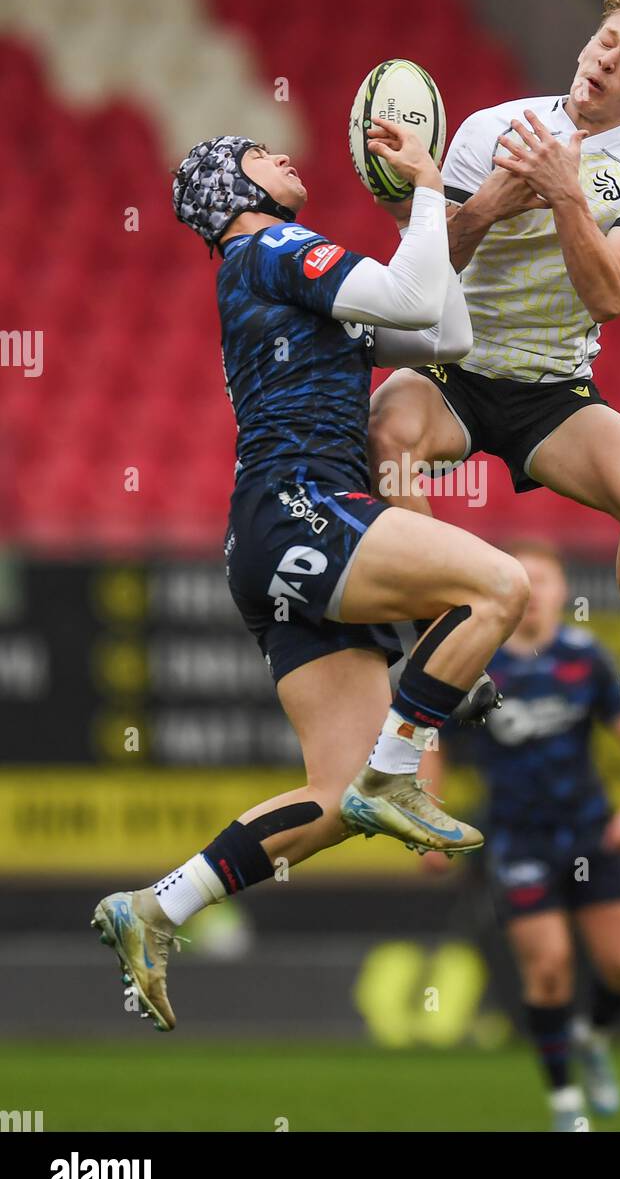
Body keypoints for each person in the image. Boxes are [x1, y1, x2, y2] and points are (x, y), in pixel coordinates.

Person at [92, 120, 529, 1031]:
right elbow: (414, 295)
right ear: (233, 191)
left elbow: (442, 328)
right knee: (500, 588)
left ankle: (154, 907)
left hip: (265, 543)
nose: (284, 158)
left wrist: (438, 212)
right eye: (258, 154)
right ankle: (408, 757)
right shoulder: (276, 245)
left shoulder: (266, 269)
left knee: (336, 801)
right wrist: (425, 185)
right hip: (307, 511)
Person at [368, 0, 620, 731]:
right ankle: (437, 645)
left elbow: (611, 296)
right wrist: (490, 203)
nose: (607, 60)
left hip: (551, 388)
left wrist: (566, 193)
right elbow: (421, 268)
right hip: (454, 364)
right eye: (604, 41)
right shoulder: (490, 128)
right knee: (386, 433)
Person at [422, 541, 620, 1132]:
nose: (534, 597)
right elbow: (433, 746)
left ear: (561, 593)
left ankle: (592, 1035)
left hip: (588, 831)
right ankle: (565, 1106)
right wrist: (429, 822)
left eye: (546, 583)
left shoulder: (586, 659)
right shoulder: (479, 667)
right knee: (550, 965)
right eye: (523, 584)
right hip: (517, 838)